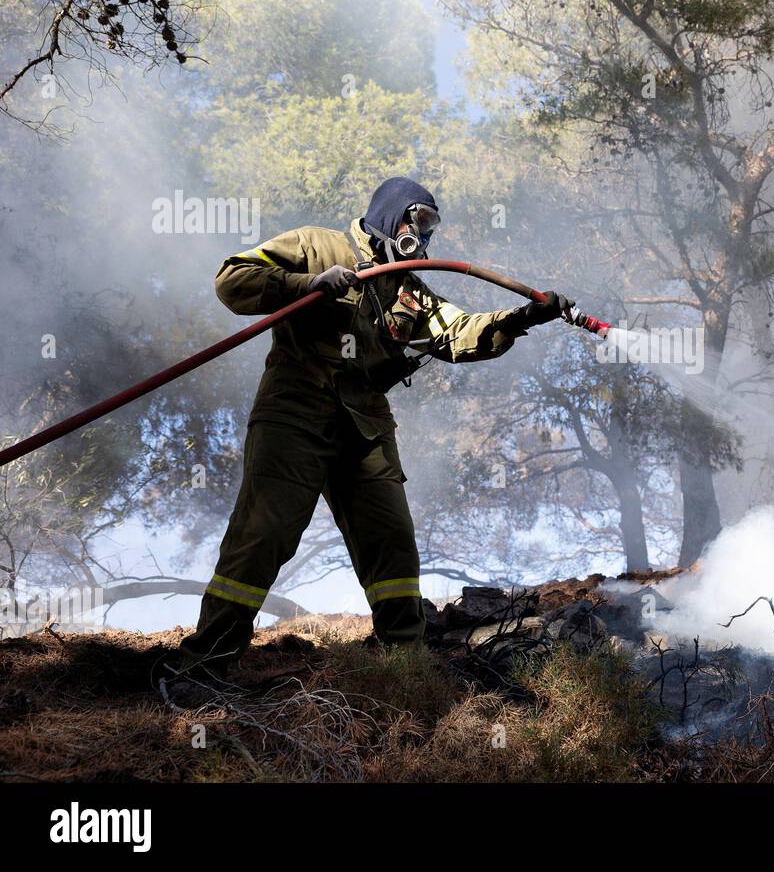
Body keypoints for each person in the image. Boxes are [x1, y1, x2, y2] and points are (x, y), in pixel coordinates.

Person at [164, 177, 571, 688]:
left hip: (366, 427)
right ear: (389, 213)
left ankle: (407, 670)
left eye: (429, 228)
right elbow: (231, 279)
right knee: (263, 534)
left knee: (393, 543)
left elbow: (456, 331)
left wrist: (520, 318)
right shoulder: (317, 244)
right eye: (415, 220)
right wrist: (305, 284)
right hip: (295, 411)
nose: (420, 236)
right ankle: (204, 666)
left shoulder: (408, 288)